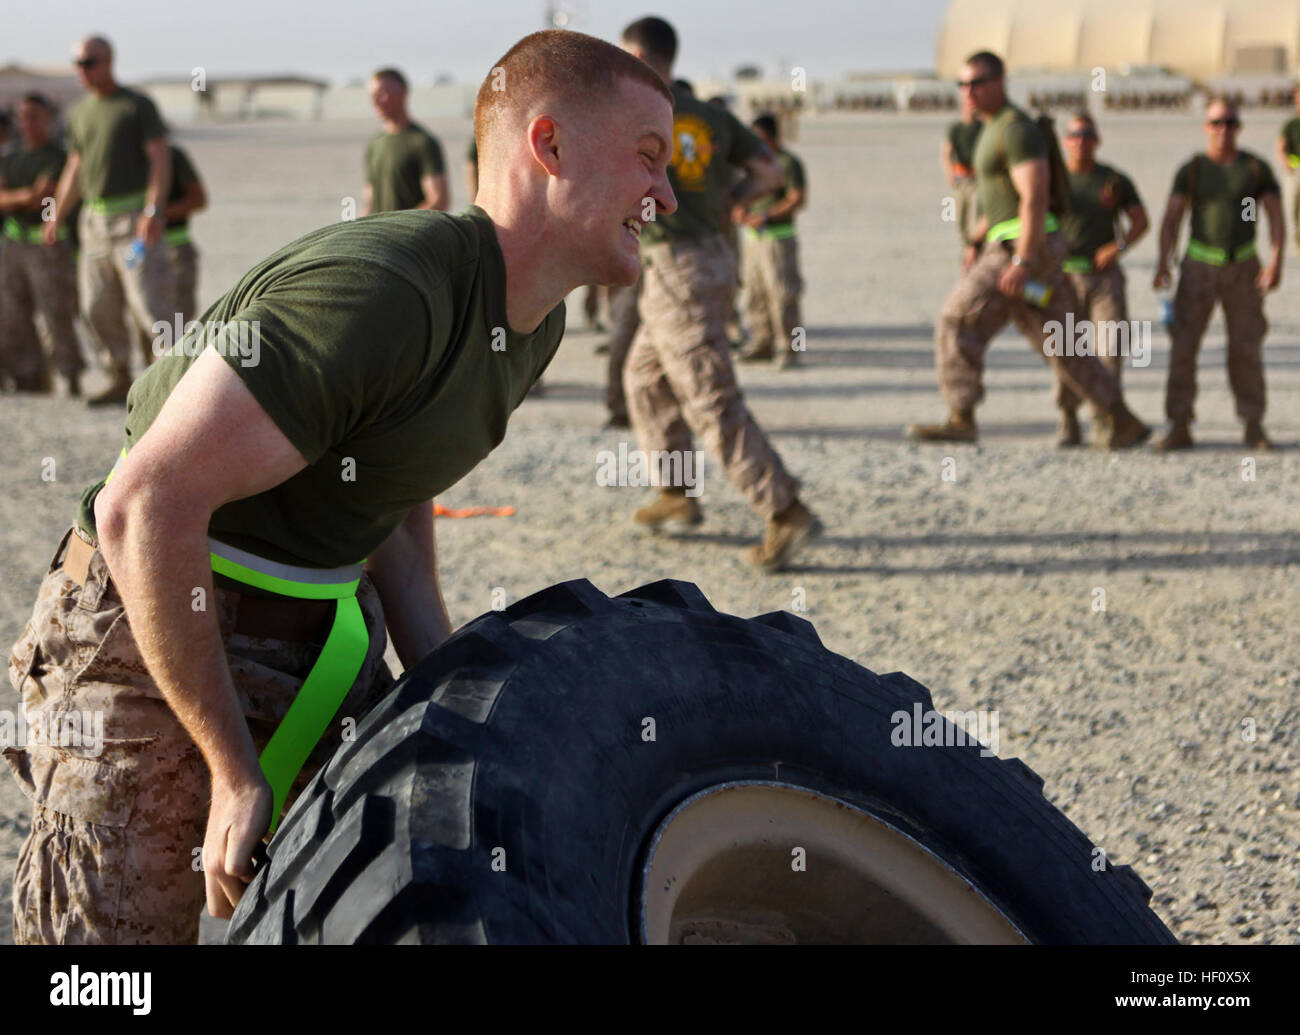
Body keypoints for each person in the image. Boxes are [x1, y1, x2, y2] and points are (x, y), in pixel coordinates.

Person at [5, 28, 675, 945]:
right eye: (649, 159)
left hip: (317, 645)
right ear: (549, 145)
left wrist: (447, 691)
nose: (666, 195)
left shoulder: (533, 323)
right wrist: (234, 770)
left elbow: (390, 499)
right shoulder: (386, 287)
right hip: (149, 634)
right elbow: (144, 506)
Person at [620, 15, 820, 570]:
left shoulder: (640, 115)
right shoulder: (709, 117)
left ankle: (783, 508)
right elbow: (768, 170)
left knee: (708, 395)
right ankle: (676, 490)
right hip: (705, 256)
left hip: (679, 267)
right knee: (643, 378)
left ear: (641, 58)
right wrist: (728, 198)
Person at [906, 51, 1149, 448]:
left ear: (999, 82)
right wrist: (974, 240)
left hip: (1022, 249)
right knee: (1063, 342)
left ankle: (961, 416)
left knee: (956, 320)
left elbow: (1034, 197)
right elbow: (1002, 201)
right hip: (1023, 248)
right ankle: (1121, 419)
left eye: (977, 82)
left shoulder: (1014, 129)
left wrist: (1021, 258)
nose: (968, 91)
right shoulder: (990, 130)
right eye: (962, 84)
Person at [46, 35, 174, 406]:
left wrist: (154, 209)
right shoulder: (80, 113)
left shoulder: (136, 106)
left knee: (150, 305)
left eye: (89, 62)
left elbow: (160, 158)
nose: (82, 70)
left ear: (109, 62)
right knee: (97, 305)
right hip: (95, 222)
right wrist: (56, 212)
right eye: (77, 63)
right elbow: (76, 166)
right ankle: (119, 376)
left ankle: (167, 385)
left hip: (133, 219)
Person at [1153, 97, 1282, 451]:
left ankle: (1253, 425)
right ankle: (1179, 424)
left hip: (1243, 268)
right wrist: (1163, 262)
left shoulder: (1253, 169)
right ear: (1206, 127)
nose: (1222, 129)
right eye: (1216, 122)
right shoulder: (1193, 169)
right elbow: (1172, 217)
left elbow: (1273, 214)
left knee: (1245, 347)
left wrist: (1275, 261)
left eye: (1229, 122)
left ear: (1238, 127)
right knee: (1184, 346)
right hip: (1198, 268)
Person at [1053, 111, 1148, 446]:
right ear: (1065, 141)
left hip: (1105, 278)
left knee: (1110, 349)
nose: (1080, 141)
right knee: (1066, 349)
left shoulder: (1112, 180)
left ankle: (1105, 418)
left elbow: (1140, 221)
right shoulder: (1054, 180)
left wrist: (1117, 247)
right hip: (1064, 277)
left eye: (1087, 134)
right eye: (1074, 135)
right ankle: (1068, 418)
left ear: (1097, 139)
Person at [0, 93, 83, 395]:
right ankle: (30, 379)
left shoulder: (57, 157)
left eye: (35, 116)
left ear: (48, 119)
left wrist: (17, 198)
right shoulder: (10, 158)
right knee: (13, 314)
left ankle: (69, 375)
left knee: (56, 314)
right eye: (23, 117)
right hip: (13, 246)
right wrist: (24, 197)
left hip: (48, 247)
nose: (28, 123)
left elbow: (46, 197)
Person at [736, 112, 806, 368]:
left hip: (778, 239)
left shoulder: (788, 162)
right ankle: (762, 343)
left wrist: (766, 215)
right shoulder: (755, 163)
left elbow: (797, 199)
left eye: (762, 138)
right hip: (753, 239)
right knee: (755, 295)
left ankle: (791, 348)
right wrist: (741, 209)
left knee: (784, 296)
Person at [362, 67, 449, 215]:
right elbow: (370, 200)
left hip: (411, 236)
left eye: (381, 94)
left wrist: (398, 227)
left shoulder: (422, 142)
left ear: (403, 93)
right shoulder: (374, 145)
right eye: (372, 95)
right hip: (382, 235)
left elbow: (438, 201)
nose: (375, 101)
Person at [943, 91, 982, 249]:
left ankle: (974, 248)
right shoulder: (956, 129)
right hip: (961, 179)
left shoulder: (982, 127)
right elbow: (946, 153)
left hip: (977, 180)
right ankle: (966, 247)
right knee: (958, 217)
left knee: (975, 216)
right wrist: (950, 175)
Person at [1275, 84, 1300, 251]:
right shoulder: (1290, 124)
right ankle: (1296, 238)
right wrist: (1285, 163)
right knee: (1293, 206)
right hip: (1295, 171)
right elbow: (1280, 146)